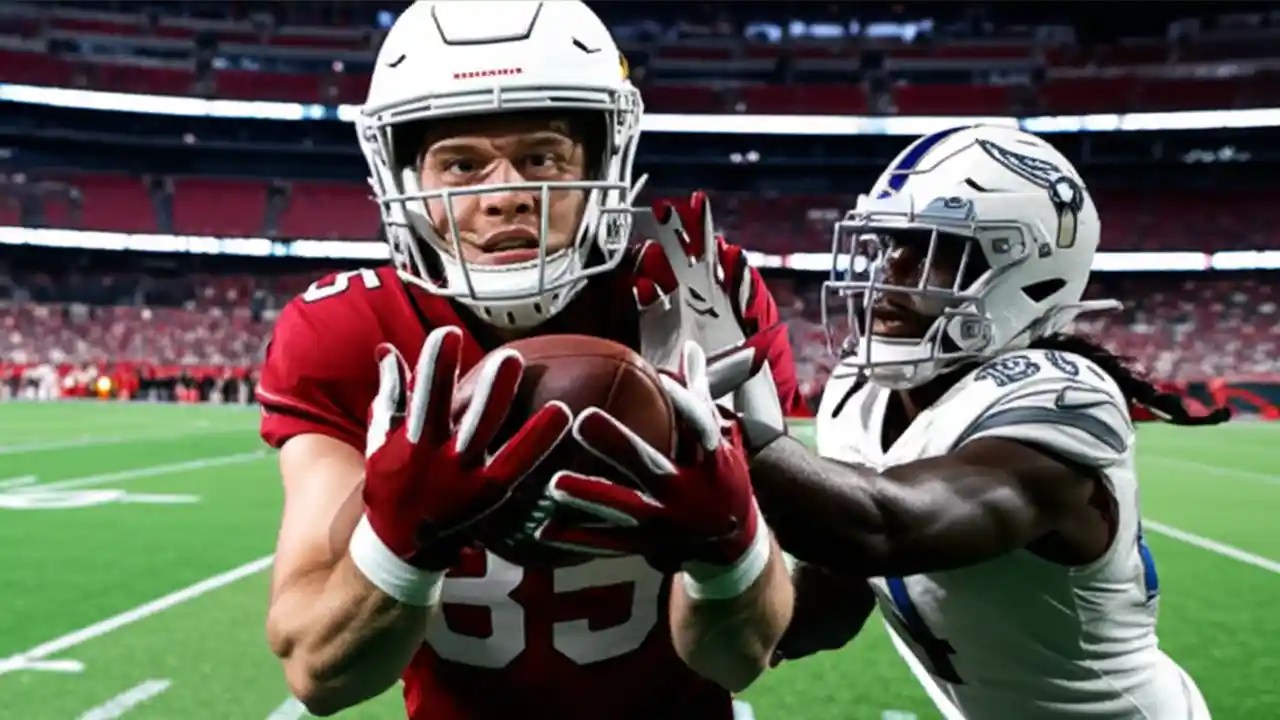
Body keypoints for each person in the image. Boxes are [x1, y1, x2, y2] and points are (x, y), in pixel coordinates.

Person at [543, 125, 1222, 719]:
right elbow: (832, 603)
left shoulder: (1061, 398)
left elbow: (890, 525)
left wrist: (716, 430)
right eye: (889, 245)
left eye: (930, 250)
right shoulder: (862, 396)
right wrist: (718, 583)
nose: (889, 273)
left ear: (1027, 270)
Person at [254, 2, 799, 719]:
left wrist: (725, 547)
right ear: (405, 182)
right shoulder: (349, 330)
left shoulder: (696, 295)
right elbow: (320, 674)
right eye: (460, 163)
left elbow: (740, 656)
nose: (506, 193)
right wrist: (401, 542)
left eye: (542, 156)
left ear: (603, 159)